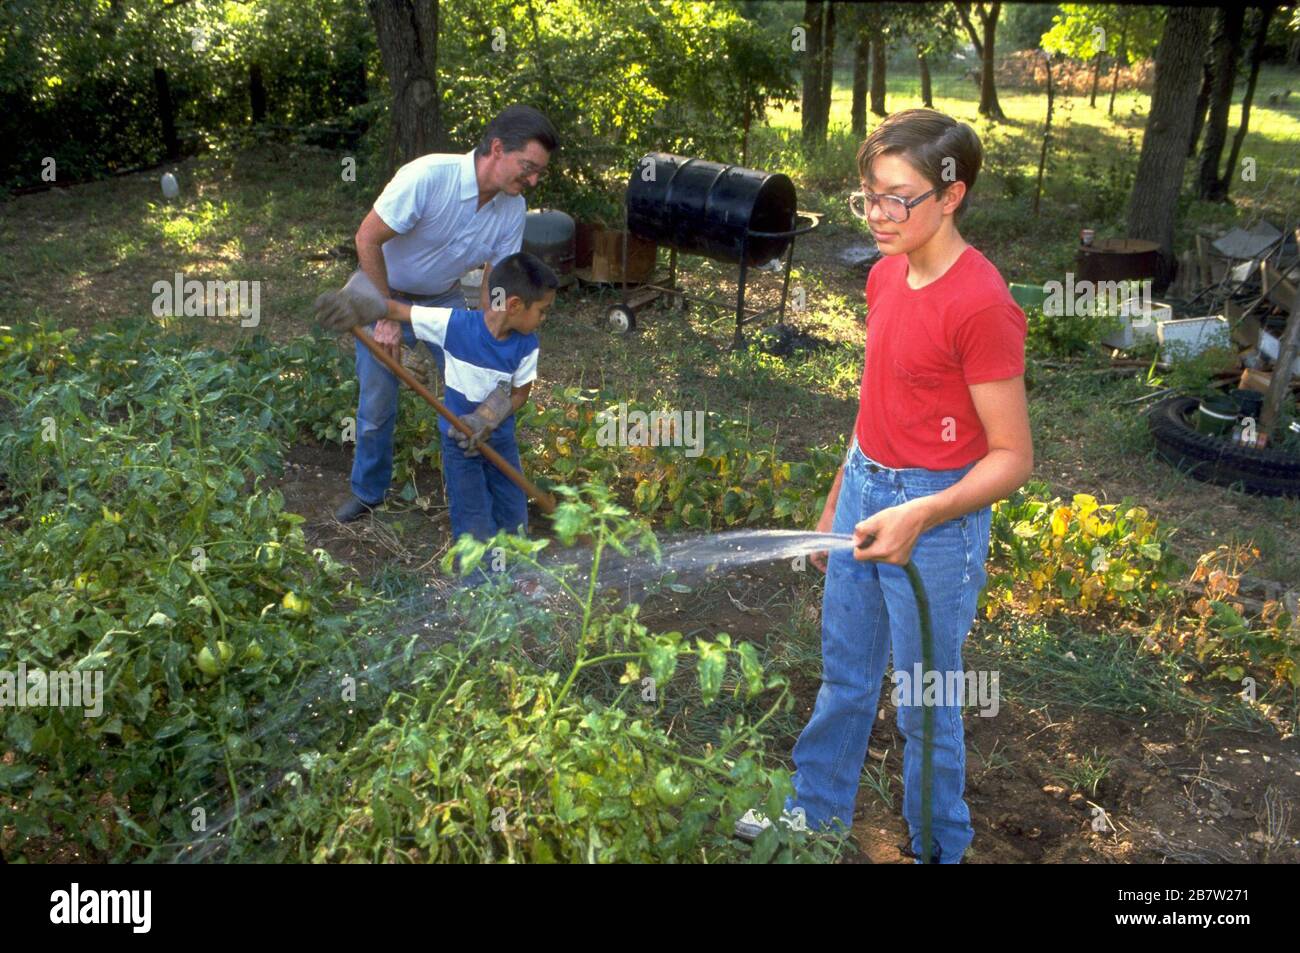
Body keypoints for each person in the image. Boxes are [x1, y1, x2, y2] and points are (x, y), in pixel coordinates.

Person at [736, 109, 1033, 863]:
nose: (878, 215)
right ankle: (816, 814)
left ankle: (939, 846)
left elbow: (1011, 457)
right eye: (869, 195)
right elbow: (878, 403)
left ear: (951, 194)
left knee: (926, 702)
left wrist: (921, 513)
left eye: (897, 198)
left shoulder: (981, 301)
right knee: (845, 672)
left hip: (936, 516)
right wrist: (844, 490)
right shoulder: (883, 275)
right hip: (869, 487)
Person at [336, 104, 558, 523]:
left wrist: (488, 338)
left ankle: (493, 486)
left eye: (538, 172)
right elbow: (367, 238)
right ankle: (367, 492)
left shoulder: (511, 208)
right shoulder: (428, 177)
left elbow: (500, 280)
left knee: (483, 387)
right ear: (496, 148)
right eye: (527, 167)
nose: (531, 179)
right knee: (377, 404)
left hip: (442, 298)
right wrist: (385, 318)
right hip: (381, 289)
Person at [317, 252, 556, 548]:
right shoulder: (455, 325)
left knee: (511, 505)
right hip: (458, 446)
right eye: (543, 311)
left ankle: (517, 569)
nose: (544, 318)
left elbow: (520, 393)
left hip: (500, 442)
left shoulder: (526, 345)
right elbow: (399, 311)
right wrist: (356, 306)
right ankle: (478, 581)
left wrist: (485, 419)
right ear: (516, 305)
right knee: (471, 514)